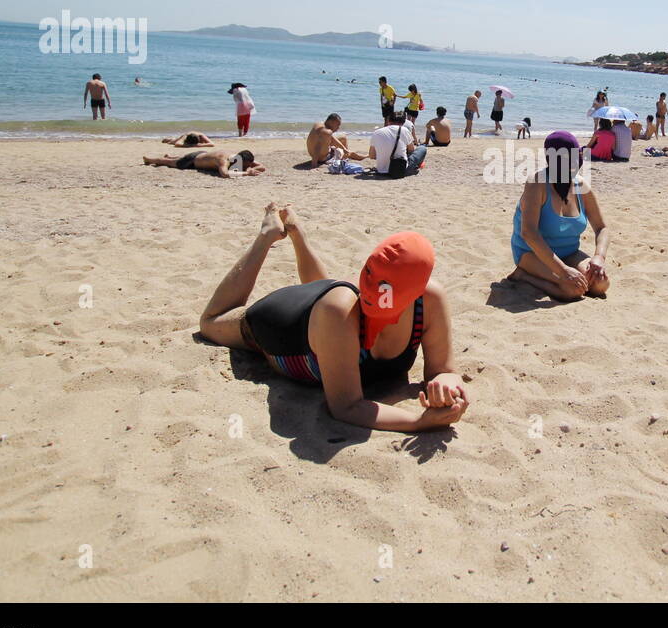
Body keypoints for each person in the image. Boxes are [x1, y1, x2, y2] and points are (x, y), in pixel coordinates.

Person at [198, 206, 467, 432]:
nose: (375, 294)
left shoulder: (429, 300)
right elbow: (345, 406)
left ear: (415, 291)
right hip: (284, 327)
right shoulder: (339, 313)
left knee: (332, 301)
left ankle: (298, 235)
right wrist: (419, 421)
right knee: (211, 323)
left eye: (386, 291)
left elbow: (444, 370)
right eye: (371, 278)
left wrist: (447, 385)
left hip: (327, 312)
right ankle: (266, 236)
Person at [507, 131, 610, 301]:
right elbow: (529, 233)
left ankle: (565, 274)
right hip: (532, 253)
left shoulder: (581, 186)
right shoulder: (537, 183)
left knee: (600, 284)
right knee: (572, 290)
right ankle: (522, 275)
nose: (578, 161)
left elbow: (602, 227)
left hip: (569, 252)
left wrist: (599, 257)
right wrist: (563, 271)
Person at [369, 112, 426, 177]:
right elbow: (411, 150)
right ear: (403, 122)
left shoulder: (377, 132)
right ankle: (417, 165)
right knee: (422, 148)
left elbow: (372, 156)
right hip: (400, 169)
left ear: (388, 120)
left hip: (381, 171)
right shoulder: (404, 130)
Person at [143, 148, 265, 177]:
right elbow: (224, 174)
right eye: (246, 165)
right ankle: (149, 160)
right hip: (193, 160)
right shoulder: (224, 160)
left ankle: (171, 156)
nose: (248, 167)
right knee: (169, 163)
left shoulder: (239, 157)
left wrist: (249, 168)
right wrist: (246, 173)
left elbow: (262, 167)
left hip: (204, 155)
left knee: (174, 159)